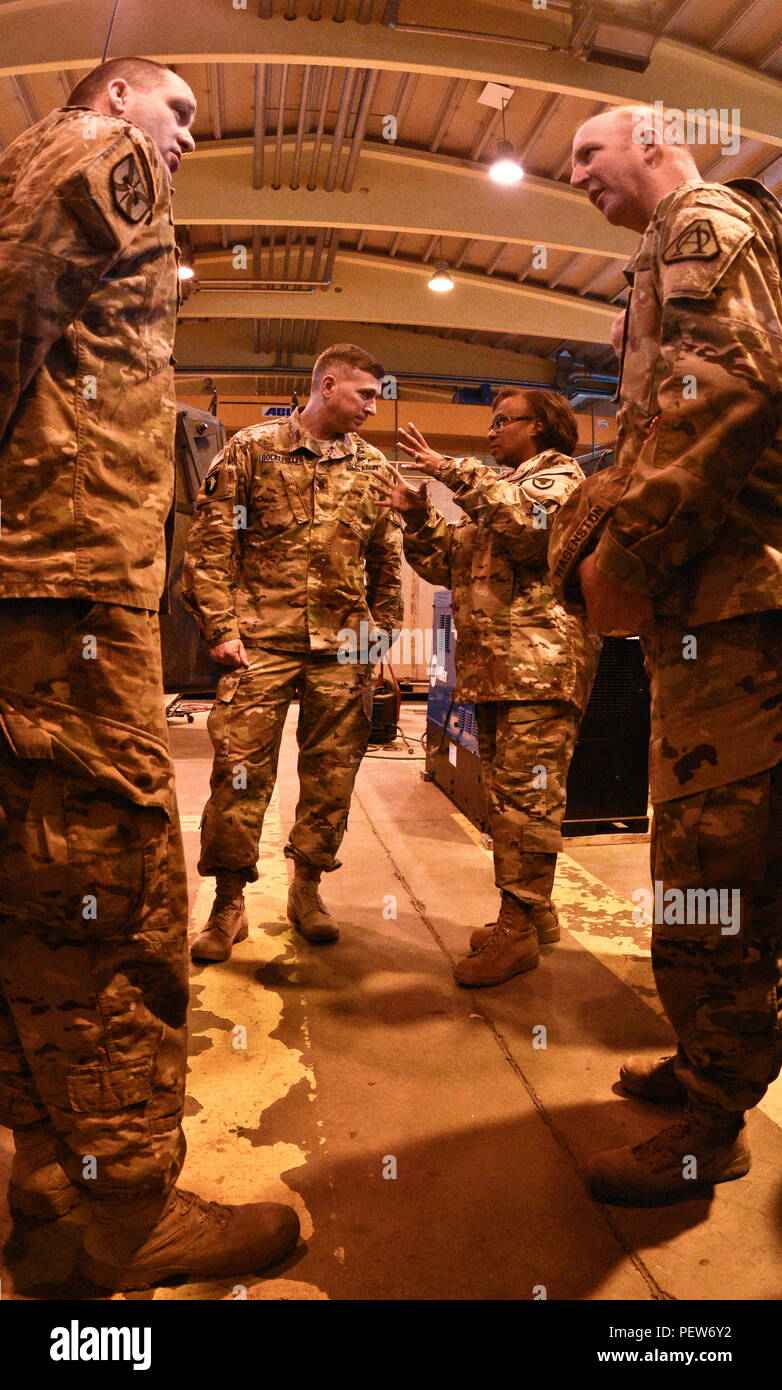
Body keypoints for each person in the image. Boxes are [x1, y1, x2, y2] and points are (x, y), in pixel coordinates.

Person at [0, 56, 299, 1289]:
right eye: (178, 111)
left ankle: (42, 1173)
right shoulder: (96, 154)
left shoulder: (36, 166)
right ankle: (125, 1207)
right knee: (114, 882)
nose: (185, 138)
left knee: (34, 876)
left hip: (38, 575)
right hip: (65, 576)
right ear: (118, 95)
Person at [549, 104, 782, 1203]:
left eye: (586, 152)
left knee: (706, 870)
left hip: (742, 608)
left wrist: (625, 559)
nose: (572, 172)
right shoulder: (661, 254)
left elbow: (721, 394)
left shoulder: (699, 222)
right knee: (714, 859)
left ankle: (712, 1119)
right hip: (723, 603)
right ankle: (709, 1065)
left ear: (652, 142)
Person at [370, 392, 601, 986]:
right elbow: (450, 564)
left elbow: (528, 529)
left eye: (503, 421)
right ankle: (534, 914)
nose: (491, 431)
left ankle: (518, 930)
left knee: (528, 801)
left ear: (542, 427)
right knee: (508, 799)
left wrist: (449, 468)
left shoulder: (558, 480)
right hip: (499, 673)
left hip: (540, 670)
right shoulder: (500, 489)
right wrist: (419, 515)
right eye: (491, 421)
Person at [182, 343, 403, 958]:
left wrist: (381, 633)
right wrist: (221, 629)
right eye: (364, 394)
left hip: (343, 647)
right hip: (260, 643)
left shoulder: (371, 467)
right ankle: (228, 904)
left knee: (331, 775)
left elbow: (386, 557)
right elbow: (211, 543)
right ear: (327, 386)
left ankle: (306, 890)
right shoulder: (253, 449)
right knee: (239, 772)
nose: (371, 407)